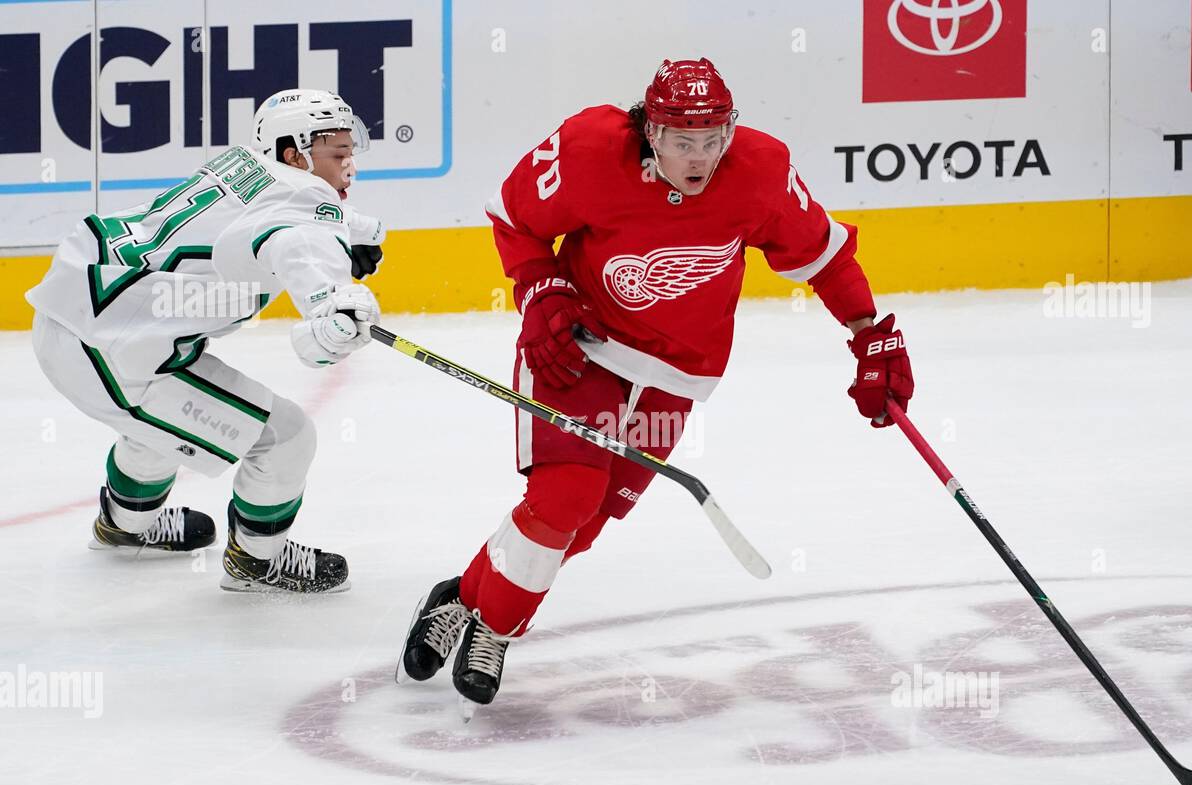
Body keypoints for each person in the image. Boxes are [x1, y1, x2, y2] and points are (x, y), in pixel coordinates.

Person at [397, 58, 914, 705]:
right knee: (567, 497)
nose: (698, 159)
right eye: (680, 142)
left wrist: (870, 334)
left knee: (585, 524)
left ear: (730, 130)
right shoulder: (591, 151)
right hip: (580, 345)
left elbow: (825, 255)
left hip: (679, 372)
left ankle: (464, 595)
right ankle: (495, 629)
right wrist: (540, 286)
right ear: (650, 132)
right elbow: (514, 214)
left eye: (711, 140)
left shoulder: (759, 170)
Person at [27, 88, 386, 593]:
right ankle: (257, 562)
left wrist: (349, 231)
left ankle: (125, 524)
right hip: (116, 352)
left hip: (77, 315)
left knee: (158, 427)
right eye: (337, 154)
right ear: (294, 154)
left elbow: (273, 223)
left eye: (351, 152)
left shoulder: (239, 165)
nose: (350, 167)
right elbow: (299, 244)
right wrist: (333, 308)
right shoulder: (306, 206)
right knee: (286, 437)